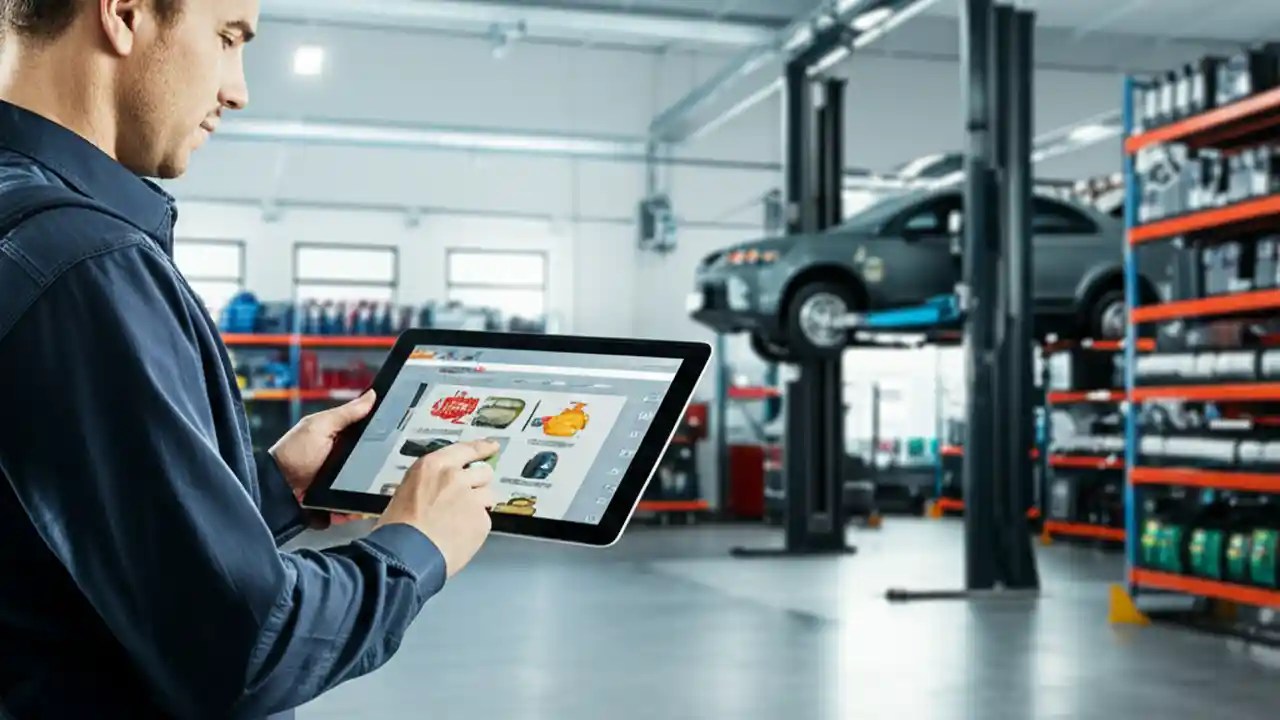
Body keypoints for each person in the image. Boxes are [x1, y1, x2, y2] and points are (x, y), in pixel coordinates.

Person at [0, 1, 498, 717]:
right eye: (228, 38)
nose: (239, 89)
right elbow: (245, 650)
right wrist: (419, 545)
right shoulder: (85, 266)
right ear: (125, 12)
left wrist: (268, 488)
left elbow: (59, 550)